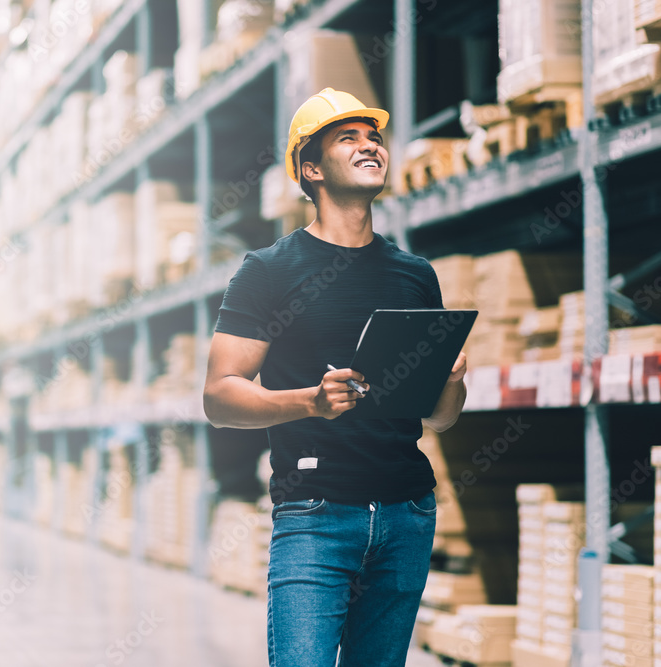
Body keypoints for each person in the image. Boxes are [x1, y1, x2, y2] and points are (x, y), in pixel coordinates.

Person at [202, 88, 467, 667]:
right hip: (315, 517)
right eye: (349, 137)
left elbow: (439, 418)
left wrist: (449, 382)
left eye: (374, 137)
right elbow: (220, 396)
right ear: (313, 169)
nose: (371, 144)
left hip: (406, 515)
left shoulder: (415, 276)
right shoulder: (267, 272)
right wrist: (310, 403)